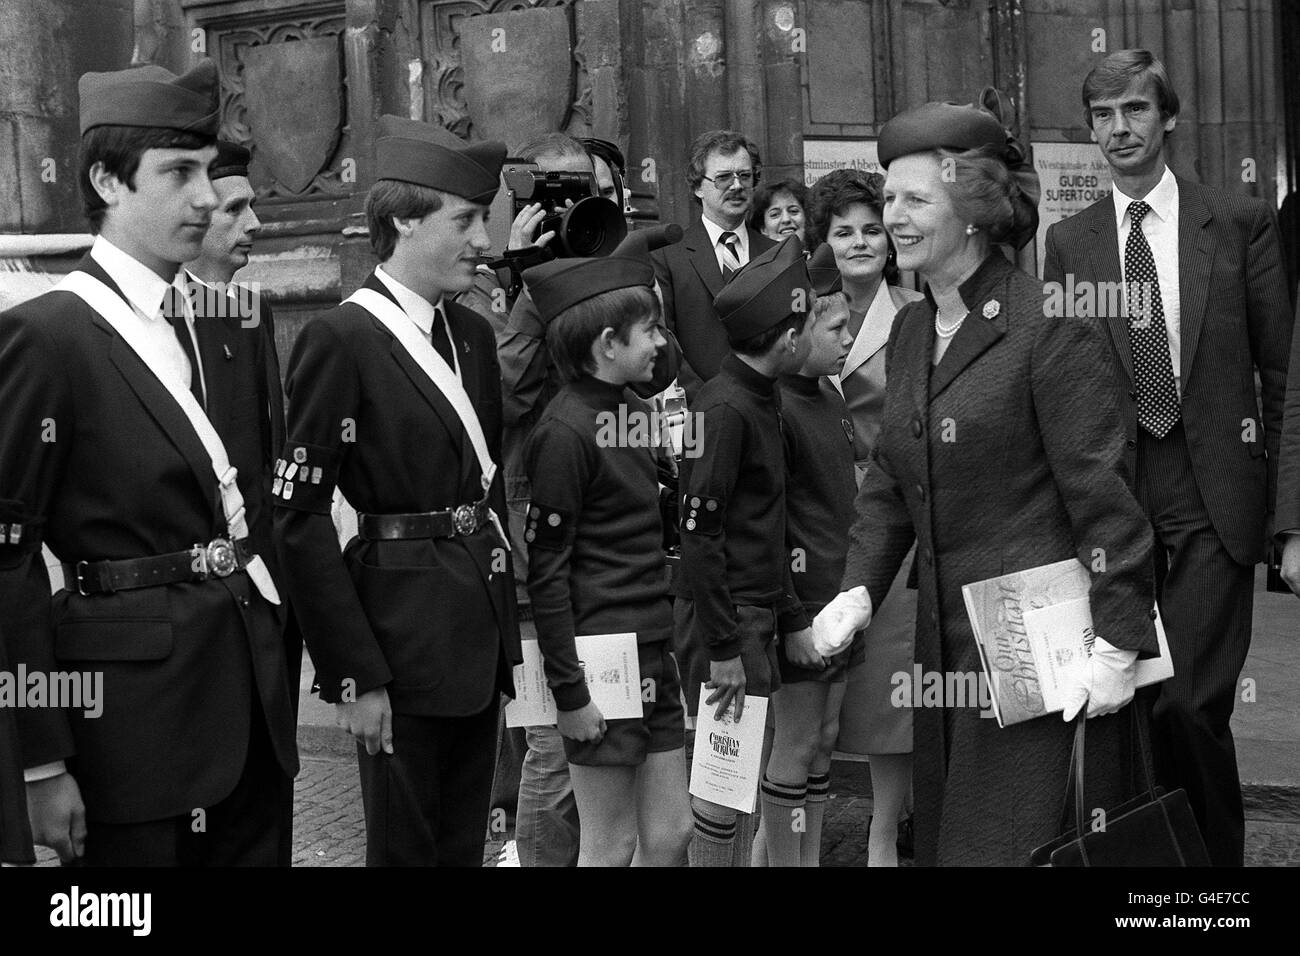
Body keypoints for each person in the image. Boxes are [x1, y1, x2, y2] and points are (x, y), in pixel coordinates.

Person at [814, 93, 1159, 866]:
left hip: (1042, 657)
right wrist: (860, 586)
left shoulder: (1049, 322)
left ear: (971, 207)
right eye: (887, 196)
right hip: (947, 657)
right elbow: (893, 484)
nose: (893, 216)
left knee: (1010, 847)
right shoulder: (910, 329)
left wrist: (1117, 643)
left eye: (914, 199)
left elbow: (1104, 497)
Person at [0, 60, 299, 866]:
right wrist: (40, 759)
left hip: (242, 712)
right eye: (178, 173)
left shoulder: (193, 321)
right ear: (106, 180)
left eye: (208, 171)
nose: (205, 196)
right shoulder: (51, 335)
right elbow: (8, 560)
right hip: (130, 735)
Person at [1044, 50, 1294, 867]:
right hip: (1117, 504)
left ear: (1169, 118)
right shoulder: (1070, 243)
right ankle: (1157, 879)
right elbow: (1059, 382)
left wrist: (1291, 522)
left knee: (1188, 704)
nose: (1119, 129)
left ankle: (1215, 883)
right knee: (1135, 715)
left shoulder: (1239, 220)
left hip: (1217, 496)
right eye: (1104, 115)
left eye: (1135, 111)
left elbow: (1284, 372)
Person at [273, 114, 521, 866]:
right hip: (398, 647)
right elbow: (299, 521)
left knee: (461, 849)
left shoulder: (472, 337)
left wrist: (509, 640)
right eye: (468, 220)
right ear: (405, 220)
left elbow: (488, 496)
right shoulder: (340, 339)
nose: (486, 241)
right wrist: (353, 676)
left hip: (476, 640)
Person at [519, 254, 692, 867]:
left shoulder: (636, 414)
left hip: (653, 649)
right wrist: (570, 693)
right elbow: (548, 572)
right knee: (610, 843)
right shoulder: (563, 432)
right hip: (600, 661)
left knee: (671, 834)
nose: (661, 344)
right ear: (607, 342)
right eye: (650, 330)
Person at [676, 236, 814, 867]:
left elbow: (764, 525)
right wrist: (726, 649)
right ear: (786, 339)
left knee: (738, 789)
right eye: (808, 324)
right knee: (722, 795)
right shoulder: (728, 408)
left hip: (752, 619)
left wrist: (787, 618)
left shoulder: (756, 396)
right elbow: (699, 532)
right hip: (728, 629)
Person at [185, 138, 300, 865]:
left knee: (263, 821)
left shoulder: (246, 315)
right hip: (182, 632)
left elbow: (271, 467)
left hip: (261, 617)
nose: (255, 223)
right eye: (237, 208)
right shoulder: (109, 326)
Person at [807, 170, 921, 866]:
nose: (859, 241)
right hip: (815, 517)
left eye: (870, 228)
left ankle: (883, 837)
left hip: (893, 518)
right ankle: (795, 839)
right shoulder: (799, 311)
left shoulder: (919, 311)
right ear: (824, 239)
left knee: (888, 695)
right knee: (811, 697)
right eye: (843, 230)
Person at [759, 263, 855, 867]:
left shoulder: (829, 395)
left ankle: (809, 858)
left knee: (823, 743)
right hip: (802, 606)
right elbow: (769, 523)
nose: (849, 339)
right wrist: (790, 615)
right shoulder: (777, 408)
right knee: (793, 746)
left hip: (841, 596)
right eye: (837, 328)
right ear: (797, 333)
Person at [651, 129, 774, 399]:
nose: (737, 186)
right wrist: (709, 399)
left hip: (770, 408)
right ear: (698, 186)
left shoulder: (777, 255)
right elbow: (664, 339)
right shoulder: (668, 256)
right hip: (699, 408)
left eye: (744, 176)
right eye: (723, 178)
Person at [749, 178, 809, 246]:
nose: (786, 219)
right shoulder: (753, 256)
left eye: (793, 211)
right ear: (763, 228)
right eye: (775, 214)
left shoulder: (821, 255)